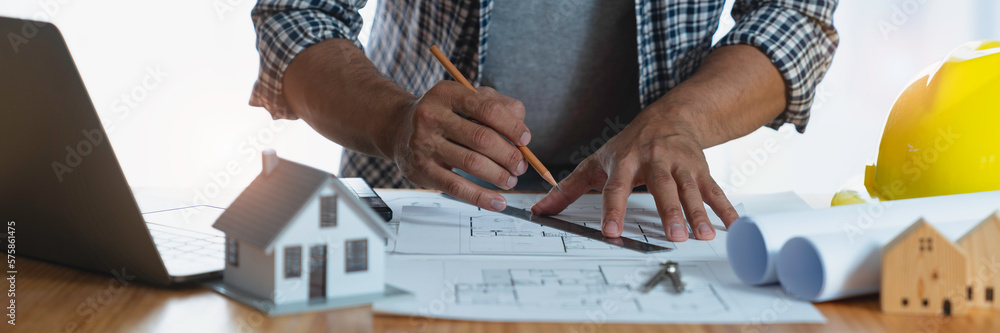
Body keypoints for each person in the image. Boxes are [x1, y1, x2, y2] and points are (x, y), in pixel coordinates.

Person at [249, 0, 838, 242]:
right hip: (412, 189)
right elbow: (298, 15)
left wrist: (684, 118)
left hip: (634, 211)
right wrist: (397, 123)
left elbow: (794, 16)